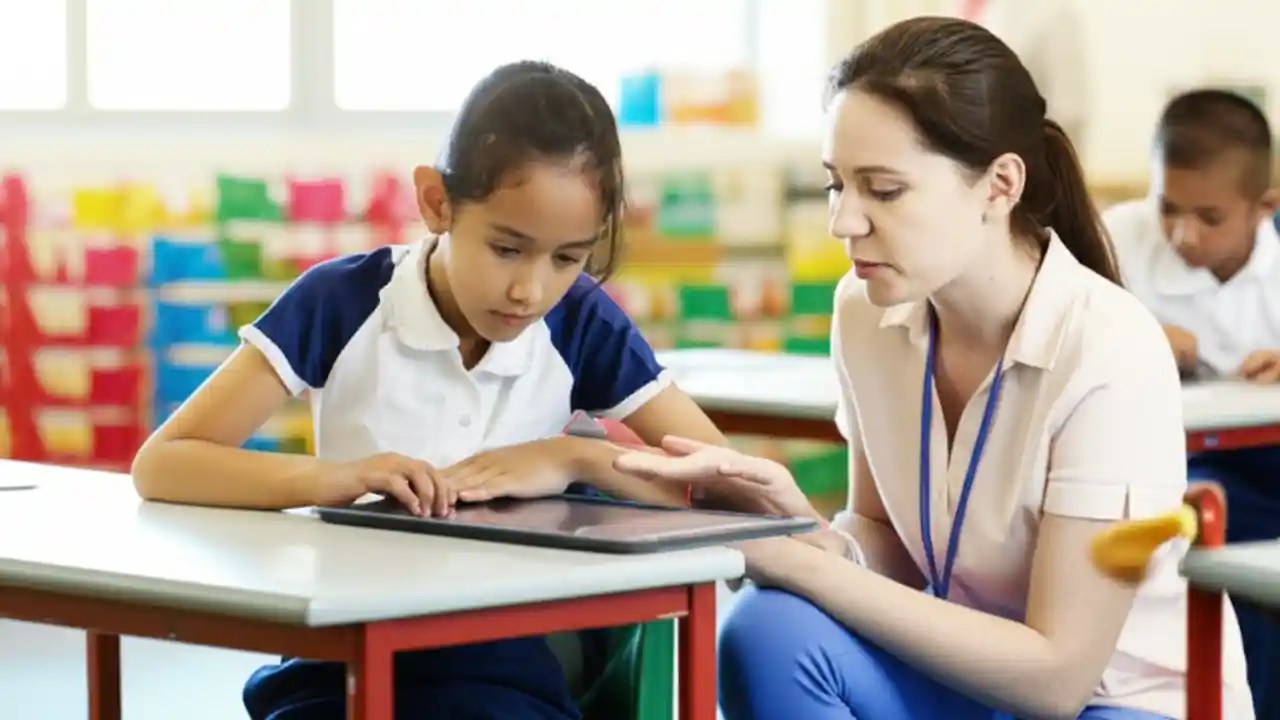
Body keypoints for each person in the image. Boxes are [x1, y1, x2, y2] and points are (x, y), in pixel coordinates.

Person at [615, 17, 1253, 720]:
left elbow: (1057, 679)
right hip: (966, 677)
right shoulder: (864, 310)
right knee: (768, 630)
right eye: (836, 185)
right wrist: (802, 533)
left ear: (999, 186)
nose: (844, 223)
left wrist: (806, 566)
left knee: (793, 590)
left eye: (883, 191)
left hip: (1116, 702)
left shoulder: (1109, 348)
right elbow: (884, 538)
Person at [131, 61, 724, 720]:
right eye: (506, 249)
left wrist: (571, 460)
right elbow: (167, 462)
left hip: (505, 655)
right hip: (345, 647)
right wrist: (338, 478)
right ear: (437, 203)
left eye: (566, 258)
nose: (530, 290)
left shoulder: (581, 319)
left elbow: (718, 477)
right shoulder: (344, 300)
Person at [1105, 89, 1280, 720]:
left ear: (1265, 207)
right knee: (1210, 538)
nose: (1183, 234)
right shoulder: (1119, 236)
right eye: (1168, 208)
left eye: (1209, 217)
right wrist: (1139, 332)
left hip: (1267, 463)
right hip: (1172, 468)